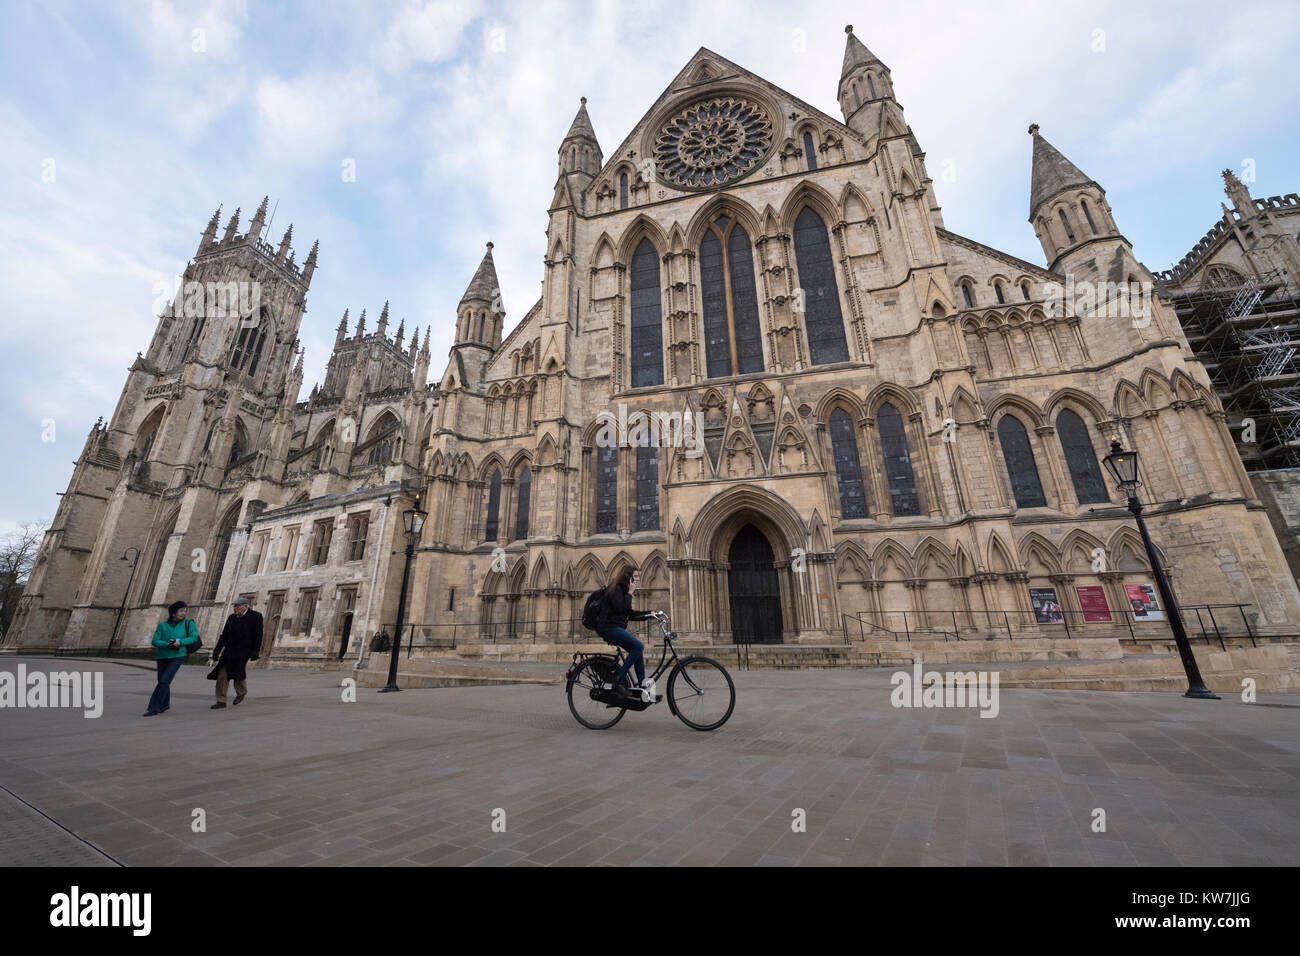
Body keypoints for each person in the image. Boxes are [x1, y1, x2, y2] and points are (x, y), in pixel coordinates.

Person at [595, 567, 658, 699]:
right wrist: (630, 592)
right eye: (635, 576)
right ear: (628, 577)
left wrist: (649, 614)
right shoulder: (616, 588)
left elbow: (629, 614)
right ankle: (617, 681)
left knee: (637, 649)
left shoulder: (622, 591)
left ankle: (642, 687)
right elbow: (620, 608)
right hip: (608, 628)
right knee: (638, 646)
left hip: (614, 627)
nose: (638, 579)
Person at [144, 600, 199, 716]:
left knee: (164, 680)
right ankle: (165, 704)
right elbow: (155, 641)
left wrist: (180, 642)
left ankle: (154, 707)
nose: (183, 613)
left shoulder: (188, 623)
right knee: (163, 681)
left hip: (178, 655)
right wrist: (166, 644)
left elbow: (194, 637)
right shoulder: (162, 625)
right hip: (162, 656)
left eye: (185, 611)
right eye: (181, 611)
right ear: (173, 612)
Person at [209, 596, 263, 709]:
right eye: (234, 606)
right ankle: (221, 700)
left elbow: (258, 635)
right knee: (222, 674)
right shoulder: (232, 618)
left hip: (244, 650)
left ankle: (241, 692)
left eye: (237, 606)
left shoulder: (256, 617)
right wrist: (217, 650)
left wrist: (255, 651)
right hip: (229, 650)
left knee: (238, 672)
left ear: (245, 606)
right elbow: (224, 635)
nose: (235, 609)